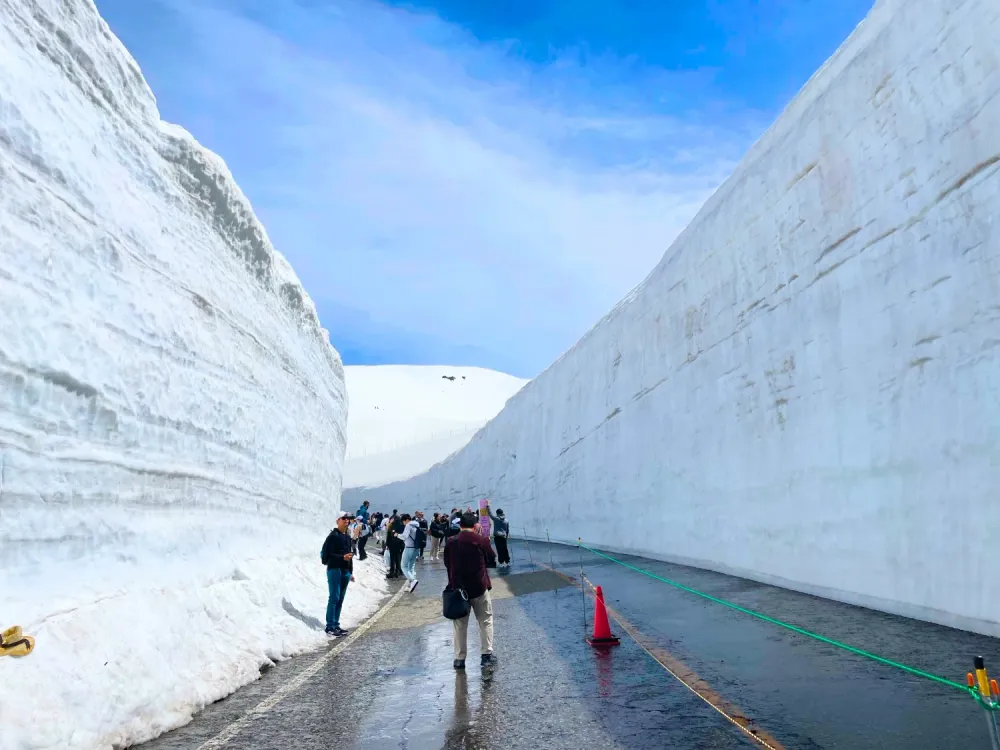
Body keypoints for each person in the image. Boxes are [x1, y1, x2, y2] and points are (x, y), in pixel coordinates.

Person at [444, 512, 497, 670]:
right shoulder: (480, 540)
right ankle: (486, 656)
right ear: (475, 526)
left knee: (460, 625)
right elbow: (491, 558)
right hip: (479, 587)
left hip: (459, 591)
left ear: (460, 525)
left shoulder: (451, 542)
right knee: (485, 620)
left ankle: (460, 659)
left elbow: (447, 563)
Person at [321, 512, 355, 637]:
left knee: (340, 598)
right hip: (334, 569)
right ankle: (330, 626)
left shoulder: (347, 537)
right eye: (344, 518)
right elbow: (326, 557)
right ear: (338, 520)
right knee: (334, 597)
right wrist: (342, 557)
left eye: (348, 519)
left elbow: (350, 556)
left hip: (345, 571)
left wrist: (351, 571)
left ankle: (336, 624)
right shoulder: (333, 536)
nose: (346, 521)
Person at [398, 513, 421, 592]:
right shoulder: (416, 525)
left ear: (406, 520)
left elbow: (404, 536)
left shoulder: (408, 525)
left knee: (403, 566)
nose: (403, 523)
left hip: (409, 548)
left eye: (403, 521)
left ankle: (413, 580)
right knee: (411, 566)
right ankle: (410, 585)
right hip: (416, 548)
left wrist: (397, 535)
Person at [387, 512, 405, 579]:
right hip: (399, 545)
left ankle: (392, 572)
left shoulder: (391, 525)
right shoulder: (402, 525)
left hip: (392, 545)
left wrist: (387, 544)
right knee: (398, 558)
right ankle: (398, 572)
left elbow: (388, 536)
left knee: (392, 559)